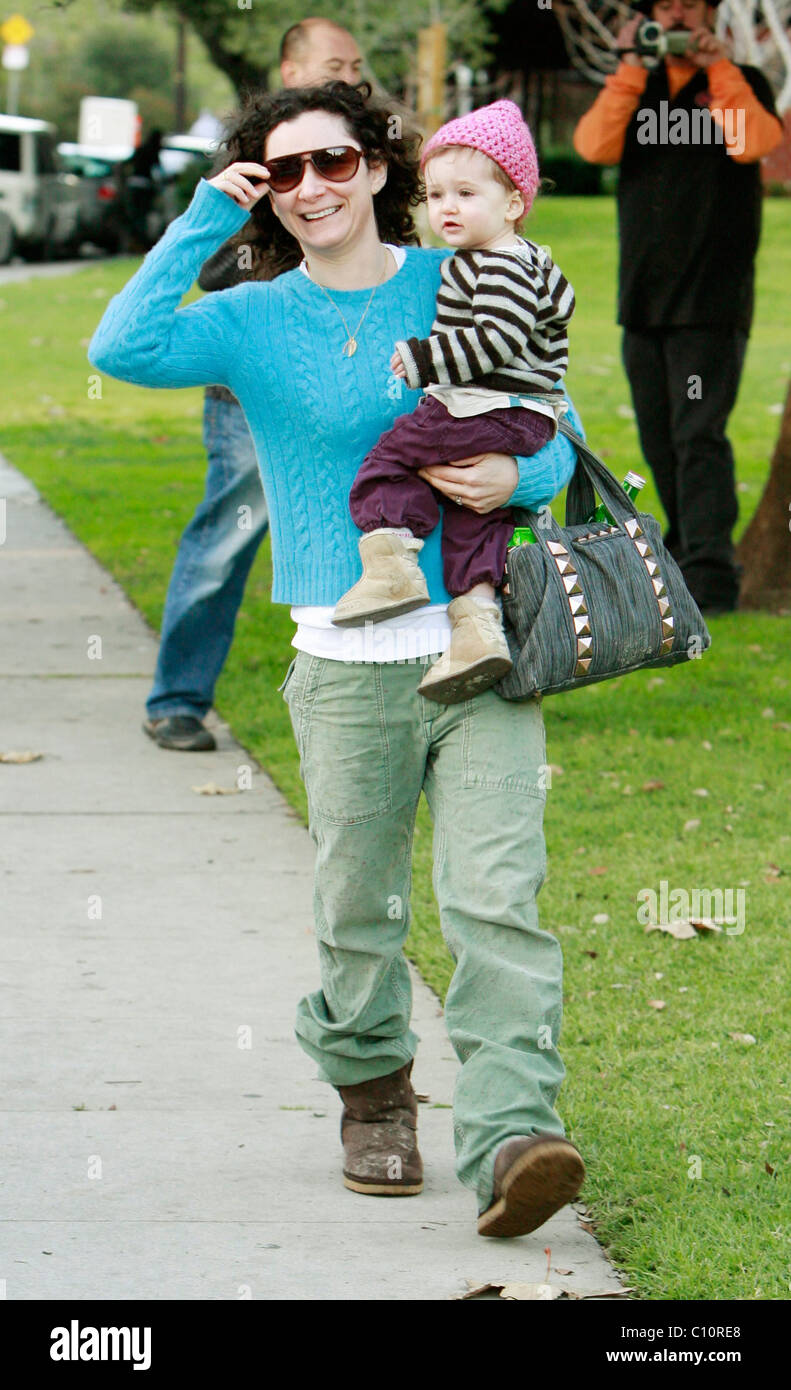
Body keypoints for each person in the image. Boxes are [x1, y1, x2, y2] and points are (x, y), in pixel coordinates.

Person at [88, 81, 587, 1238]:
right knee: (356, 905)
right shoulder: (250, 316)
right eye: (285, 170)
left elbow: (551, 419)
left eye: (335, 160)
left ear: (378, 166)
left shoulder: (452, 273)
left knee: (494, 900)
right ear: (268, 189)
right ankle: (372, 1093)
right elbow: (122, 343)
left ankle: (513, 1131)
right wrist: (209, 216)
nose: (313, 185)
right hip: (346, 659)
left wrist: (521, 481)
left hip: (484, 651)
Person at [144, 18, 365, 752]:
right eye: (336, 64)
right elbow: (207, 273)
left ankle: (391, 692)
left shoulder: (355, 154)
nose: (351, 77)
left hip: (351, 388)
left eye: (355, 67)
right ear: (290, 67)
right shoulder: (252, 159)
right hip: (251, 400)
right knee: (224, 542)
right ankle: (177, 699)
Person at [333, 99, 574, 704]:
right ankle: (477, 628)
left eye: (466, 193)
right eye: (437, 195)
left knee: (391, 457)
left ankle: (392, 566)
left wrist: (424, 359)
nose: (447, 209)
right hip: (518, 417)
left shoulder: (500, 266)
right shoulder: (515, 259)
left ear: (514, 203)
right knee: (475, 515)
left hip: (483, 407)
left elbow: (495, 340)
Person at [573, 0, 784, 616]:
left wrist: (718, 69)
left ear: (714, 16)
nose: (682, 16)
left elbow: (755, 146)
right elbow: (594, 146)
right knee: (660, 436)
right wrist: (631, 67)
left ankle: (713, 575)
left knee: (698, 434)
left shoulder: (745, 83)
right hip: (643, 296)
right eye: (668, 6)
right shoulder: (637, 86)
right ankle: (688, 552)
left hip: (711, 299)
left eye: (694, 5)